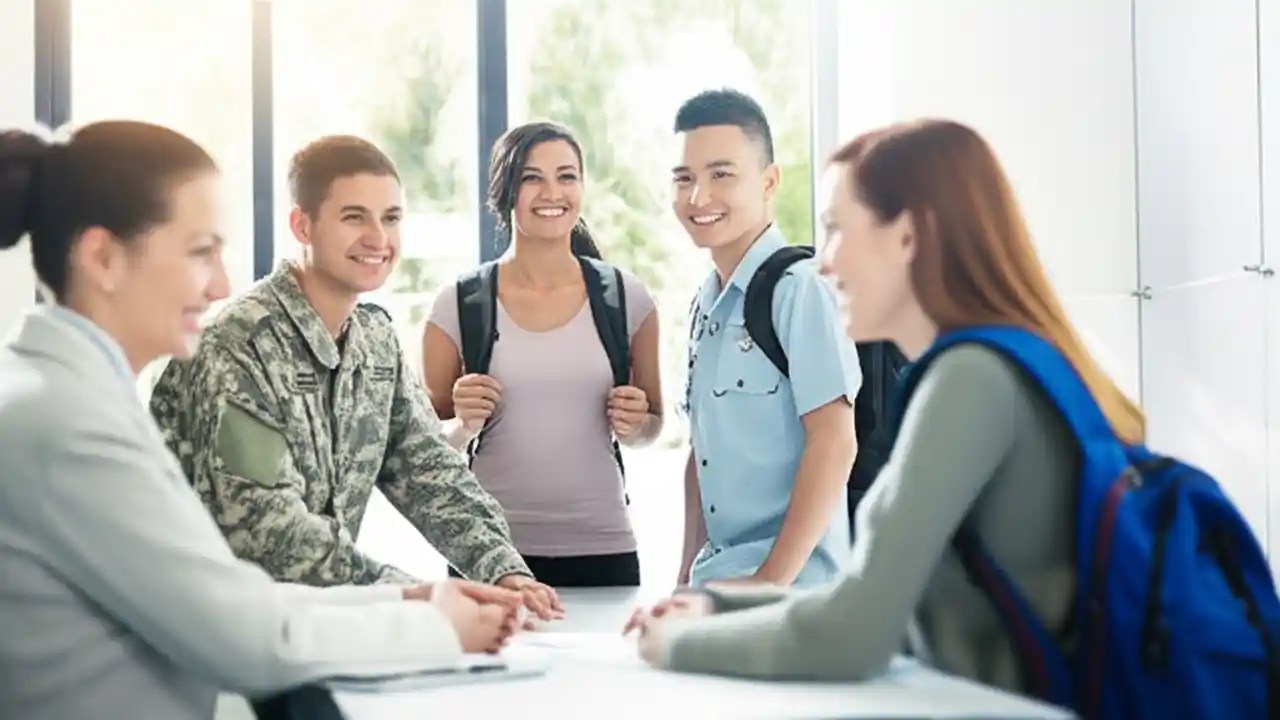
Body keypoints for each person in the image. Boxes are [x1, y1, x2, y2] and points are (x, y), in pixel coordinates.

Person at [0, 121, 523, 720]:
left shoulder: (68, 400)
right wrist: (432, 624)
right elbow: (246, 630)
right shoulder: (72, 428)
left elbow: (235, 596)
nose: (221, 283)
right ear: (104, 258)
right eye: (201, 252)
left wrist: (430, 594)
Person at [624, 119, 1143, 697]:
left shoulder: (970, 382)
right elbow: (900, 613)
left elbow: (855, 633)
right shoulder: (985, 368)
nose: (824, 262)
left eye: (838, 231)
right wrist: (714, 602)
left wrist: (672, 645)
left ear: (908, 236)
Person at [148, 135, 562, 619]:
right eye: (354, 217)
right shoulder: (238, 346)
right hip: (207, 641)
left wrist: (503, 572)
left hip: (311, 631)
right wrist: (418, 597)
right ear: (303, 225)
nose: (377, 238)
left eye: (390, 218)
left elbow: (429, 471)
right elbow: (267, 532)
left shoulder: (373, 341)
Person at [422, 121, 663, 587]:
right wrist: (462, 425)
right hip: (486, 554)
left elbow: (652, 426)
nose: (552, 191)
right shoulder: (457, 303)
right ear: (506, 190)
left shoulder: (626, 298)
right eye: (532, 177)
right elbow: (422, 447)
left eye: (567, 176)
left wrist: (637, 424)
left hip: (603, 548)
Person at [672, 89, 860, 588]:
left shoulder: (801, 290)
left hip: (796, 590)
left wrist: (768, 583)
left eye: (721, 175)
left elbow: (836, 440)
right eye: (684, 178)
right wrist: (682, 580)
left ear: (769, 181)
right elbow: (702, 454)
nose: (698, 197)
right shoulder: (703, 306)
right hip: (719, 582)